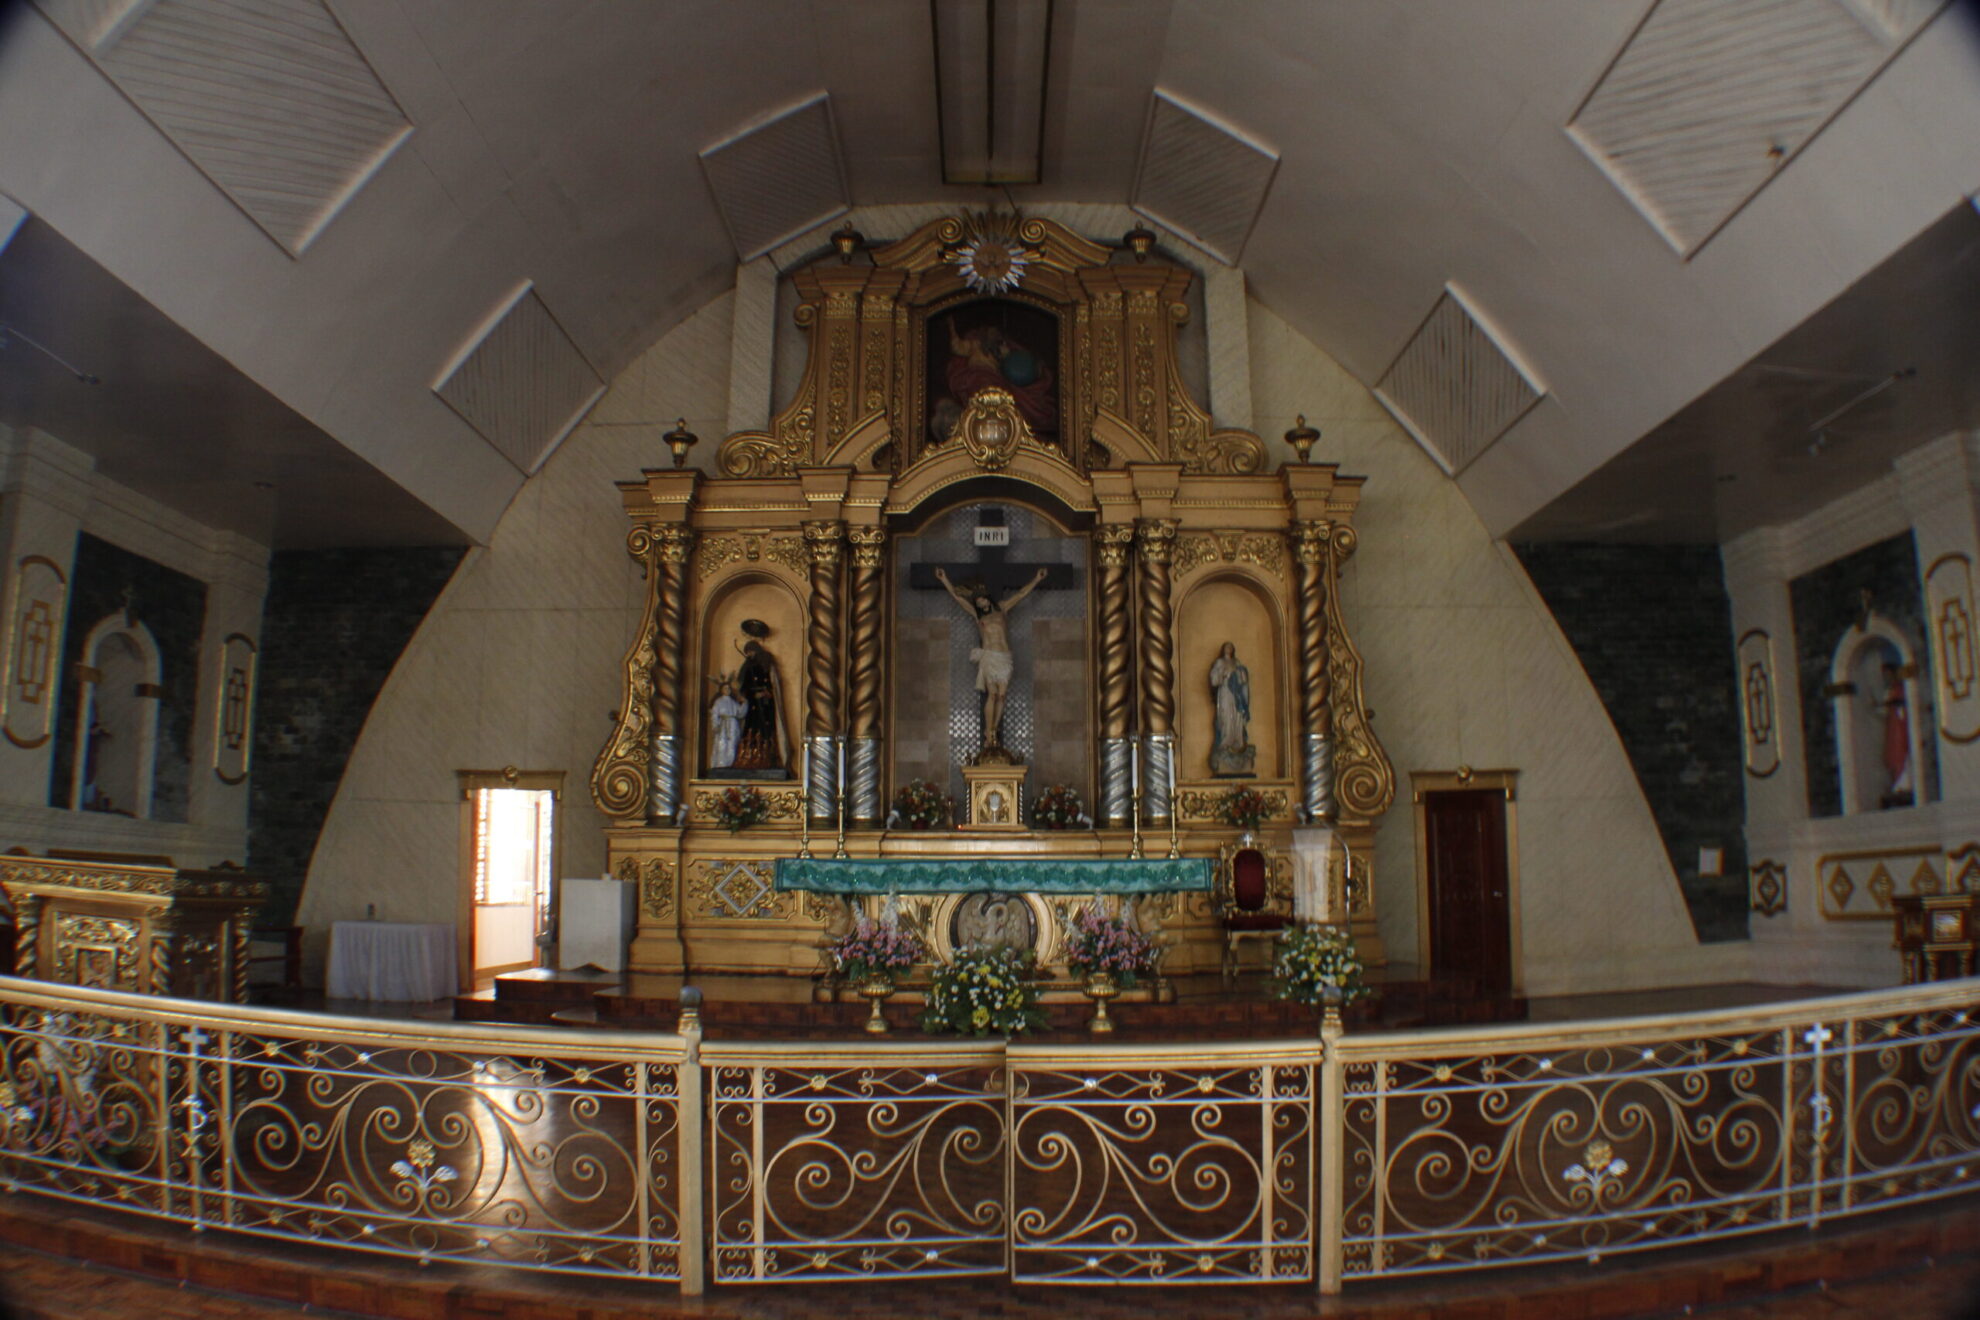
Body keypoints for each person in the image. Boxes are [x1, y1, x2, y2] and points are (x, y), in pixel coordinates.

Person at [933, 564, 1048, 758]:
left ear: (987, 598)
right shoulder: (977, 616)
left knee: (1002, 696)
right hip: (989, 656)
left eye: (982, 599)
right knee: (992, 695)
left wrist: (1037, 579)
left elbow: (1020, 595)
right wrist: (944, 579)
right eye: (977, 602)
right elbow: (957, 598)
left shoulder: (1002, 609)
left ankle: (994, 728)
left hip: (1005, 657)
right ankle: (989, 733)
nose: (980, 603)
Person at [941, 320, 1057, 438]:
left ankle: (1005, 421)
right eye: (991, 335)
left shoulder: (1001, 349)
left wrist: (1035, 366)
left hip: (993, 376)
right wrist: (952, 329)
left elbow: (1016, 364)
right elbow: (957, 347)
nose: (993, 337)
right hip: (977, 374)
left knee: (1003, 393)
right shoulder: (975, 345)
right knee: (982, 388)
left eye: (996, 336)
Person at [731, 626, 787, 772]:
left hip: (766, 703)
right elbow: (743, 686)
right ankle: (750, 758)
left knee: (766, 728)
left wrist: (768, 693)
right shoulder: (747, 667)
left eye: (750, 651)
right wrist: (752, 695)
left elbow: (773, 683)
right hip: (753, 704)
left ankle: (768, 758)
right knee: (752, 728)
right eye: (747, 652)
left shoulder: (767, 663)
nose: (749, 654)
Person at [1209, 642, 1256, 777]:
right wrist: (1222, 675)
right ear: (1223, 649)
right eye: (1226, 647)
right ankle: (1226, 740)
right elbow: (1214, 680)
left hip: (1236, 695)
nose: (1228, 649)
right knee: (1225, 717)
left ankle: (1237, 741)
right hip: (1225, 693)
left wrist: (1240, 675)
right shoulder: (1219, 662)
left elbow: (1243, 680)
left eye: (1230, 647)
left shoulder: (1237, 662)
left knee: (1237, 717)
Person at [707, 677, 746, 771]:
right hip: (723, 726)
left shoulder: (733, 702)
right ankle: (721, 765)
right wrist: (715, 725)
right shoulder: (718, 701)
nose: (727, 690)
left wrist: (744, 703)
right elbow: (714, 714)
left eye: (729, 688)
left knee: (732, 744)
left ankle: (731, 763)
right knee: (722, 745)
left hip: (733, 725)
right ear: (721, 690)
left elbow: (740, 713)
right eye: (725, 688)